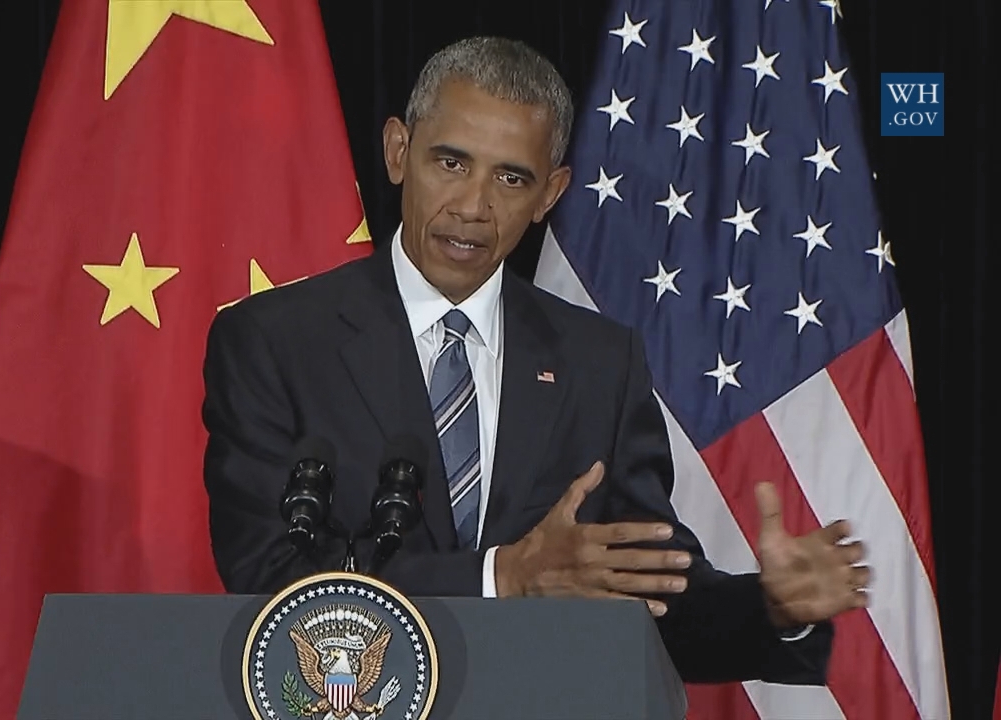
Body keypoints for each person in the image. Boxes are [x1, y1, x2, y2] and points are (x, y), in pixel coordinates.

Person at [200, 36, 868, 684]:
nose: (473, 207)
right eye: (451, 162)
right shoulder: (274, 342)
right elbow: (268, 577)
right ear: (398, 150)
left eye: (511, 178)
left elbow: (653, 602)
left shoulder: (600, 364)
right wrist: (503, 576)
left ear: (550, 193)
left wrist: (772, 608)